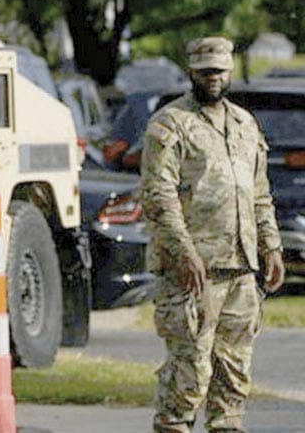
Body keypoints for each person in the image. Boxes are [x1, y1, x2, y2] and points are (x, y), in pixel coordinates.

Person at [141, 36, 286, 433]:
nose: (213, 78)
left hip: (241, 268)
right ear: (191, 71)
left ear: (230, 71)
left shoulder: (244, 124)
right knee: (190, 374)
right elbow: (158, 196)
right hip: (192, 272)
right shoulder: (170, 124)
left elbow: (259, 192)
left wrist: (271, 246)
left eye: (219, 70)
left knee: (234, 374)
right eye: (205, 71)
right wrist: (185, 253)